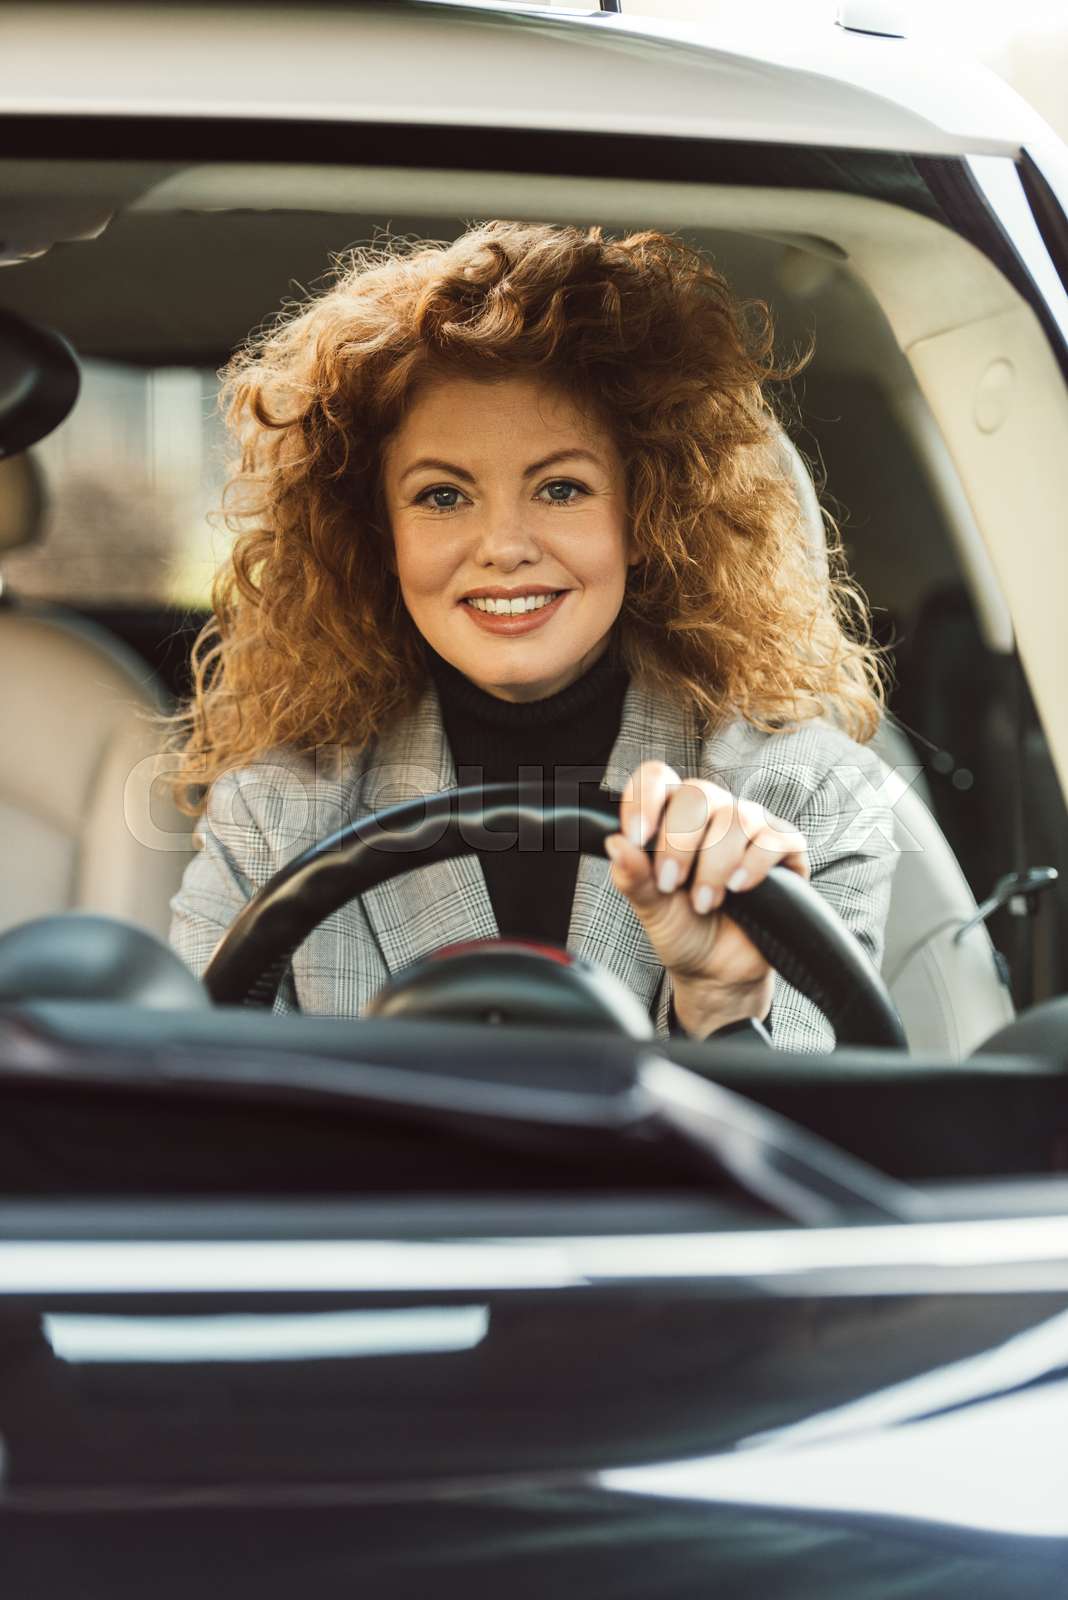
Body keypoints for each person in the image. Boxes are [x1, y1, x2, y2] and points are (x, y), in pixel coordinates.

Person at [168, 221, 898, 1051]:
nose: (505, 546)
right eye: (443, 497)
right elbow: (188, 1116)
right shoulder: (274, 805)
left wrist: (721, 1004)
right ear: (378, 534)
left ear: (647, 513)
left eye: (560, 488)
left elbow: (820, 1158)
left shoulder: (803, 794)